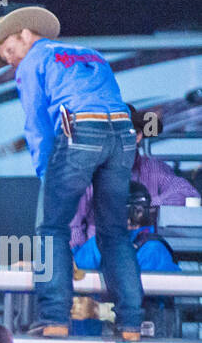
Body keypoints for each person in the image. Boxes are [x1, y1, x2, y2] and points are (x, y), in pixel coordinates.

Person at [0, 5, 142, 342]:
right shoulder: (92, 54)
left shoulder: (33, 62)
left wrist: (47, 176)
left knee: (52, 228)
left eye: (9, 50)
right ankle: (131, 324)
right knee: (114, 232)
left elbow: (37, 123)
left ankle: (55, 317)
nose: (10, 61)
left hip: (79, 130)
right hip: (122, 134)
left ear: (25, 34)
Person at [69, 104, 200, 251]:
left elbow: (187, 194)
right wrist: (80, 266)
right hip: (100, 260)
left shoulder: (154, 169)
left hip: (148, 258)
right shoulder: (85, 176)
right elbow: (72, 227)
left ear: (137, 136)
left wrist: (144, 206)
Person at [74, 180, 183, 338]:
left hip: (143, 340)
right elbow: (75, 274)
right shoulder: (97, 244)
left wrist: (100, 311)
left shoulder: (151, 249)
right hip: (93, 342)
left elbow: (151, 307)